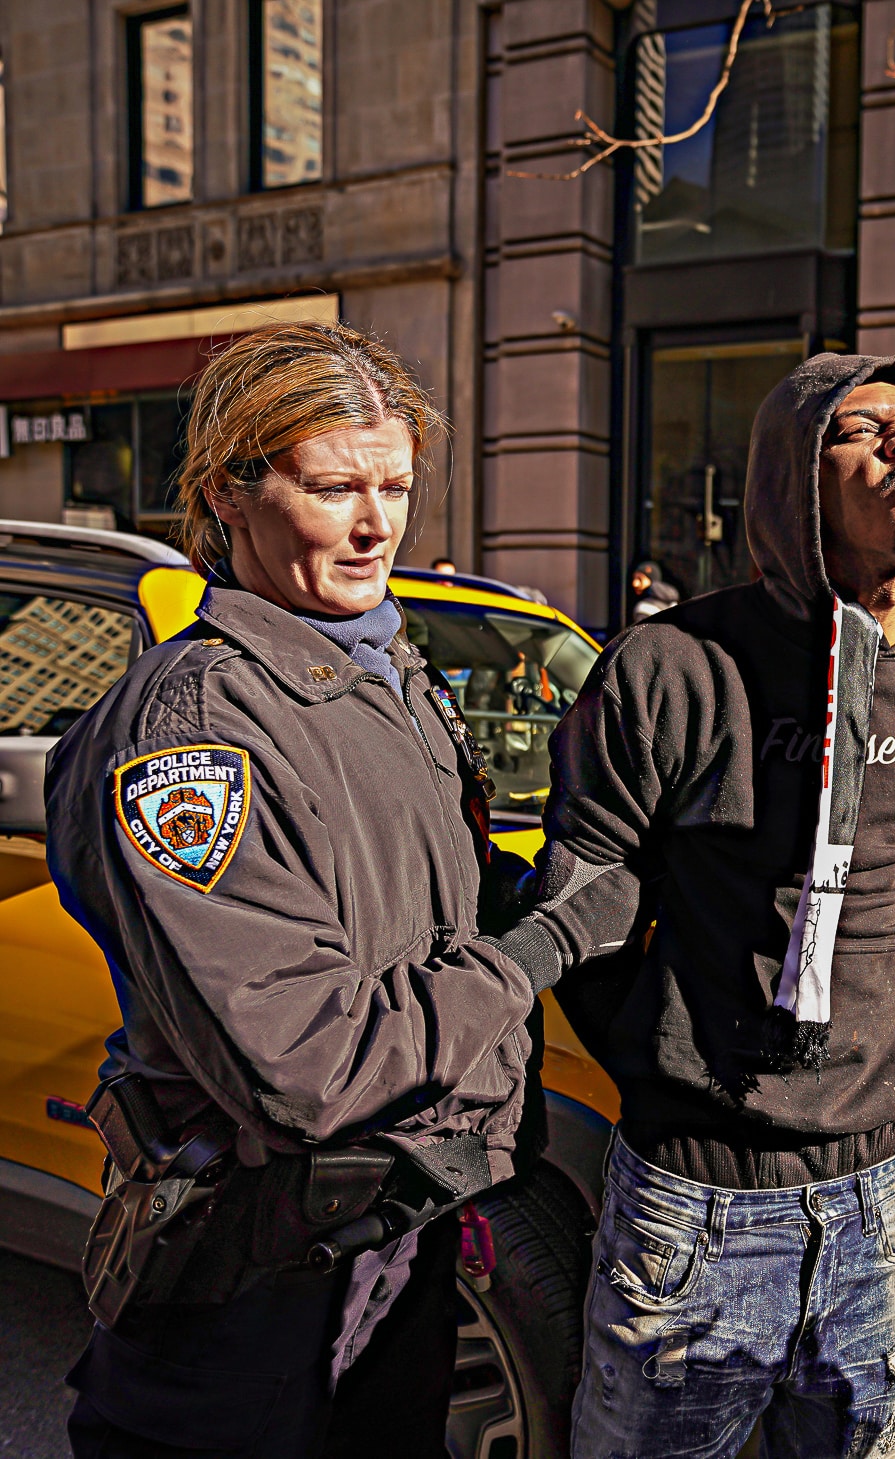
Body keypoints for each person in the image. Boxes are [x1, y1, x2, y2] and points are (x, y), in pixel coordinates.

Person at [484, 353, 895, 1458]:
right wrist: (678, 1067)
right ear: (793, 478)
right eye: (864, 430)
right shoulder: (673, 666)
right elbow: (585, 898)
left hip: (884, 1202)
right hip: (697, 1206)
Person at [44, 321, 543, 1457]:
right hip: (248, 1281)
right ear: (230, 492)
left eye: (396, 487)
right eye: (333, 489)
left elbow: (417, 903)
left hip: (390, 1235)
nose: (376, 525)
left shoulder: (378, 665)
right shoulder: (198, 725)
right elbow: (308, 1064)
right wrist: (524, 961)